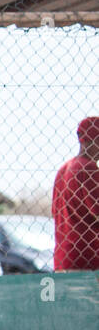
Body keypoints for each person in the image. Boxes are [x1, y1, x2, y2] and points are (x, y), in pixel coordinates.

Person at [52, 116, 99, 271]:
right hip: (88, 259)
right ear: (94, 140)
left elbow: (55, 212)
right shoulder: (89, 168)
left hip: (63, 257)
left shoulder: (64, 169)